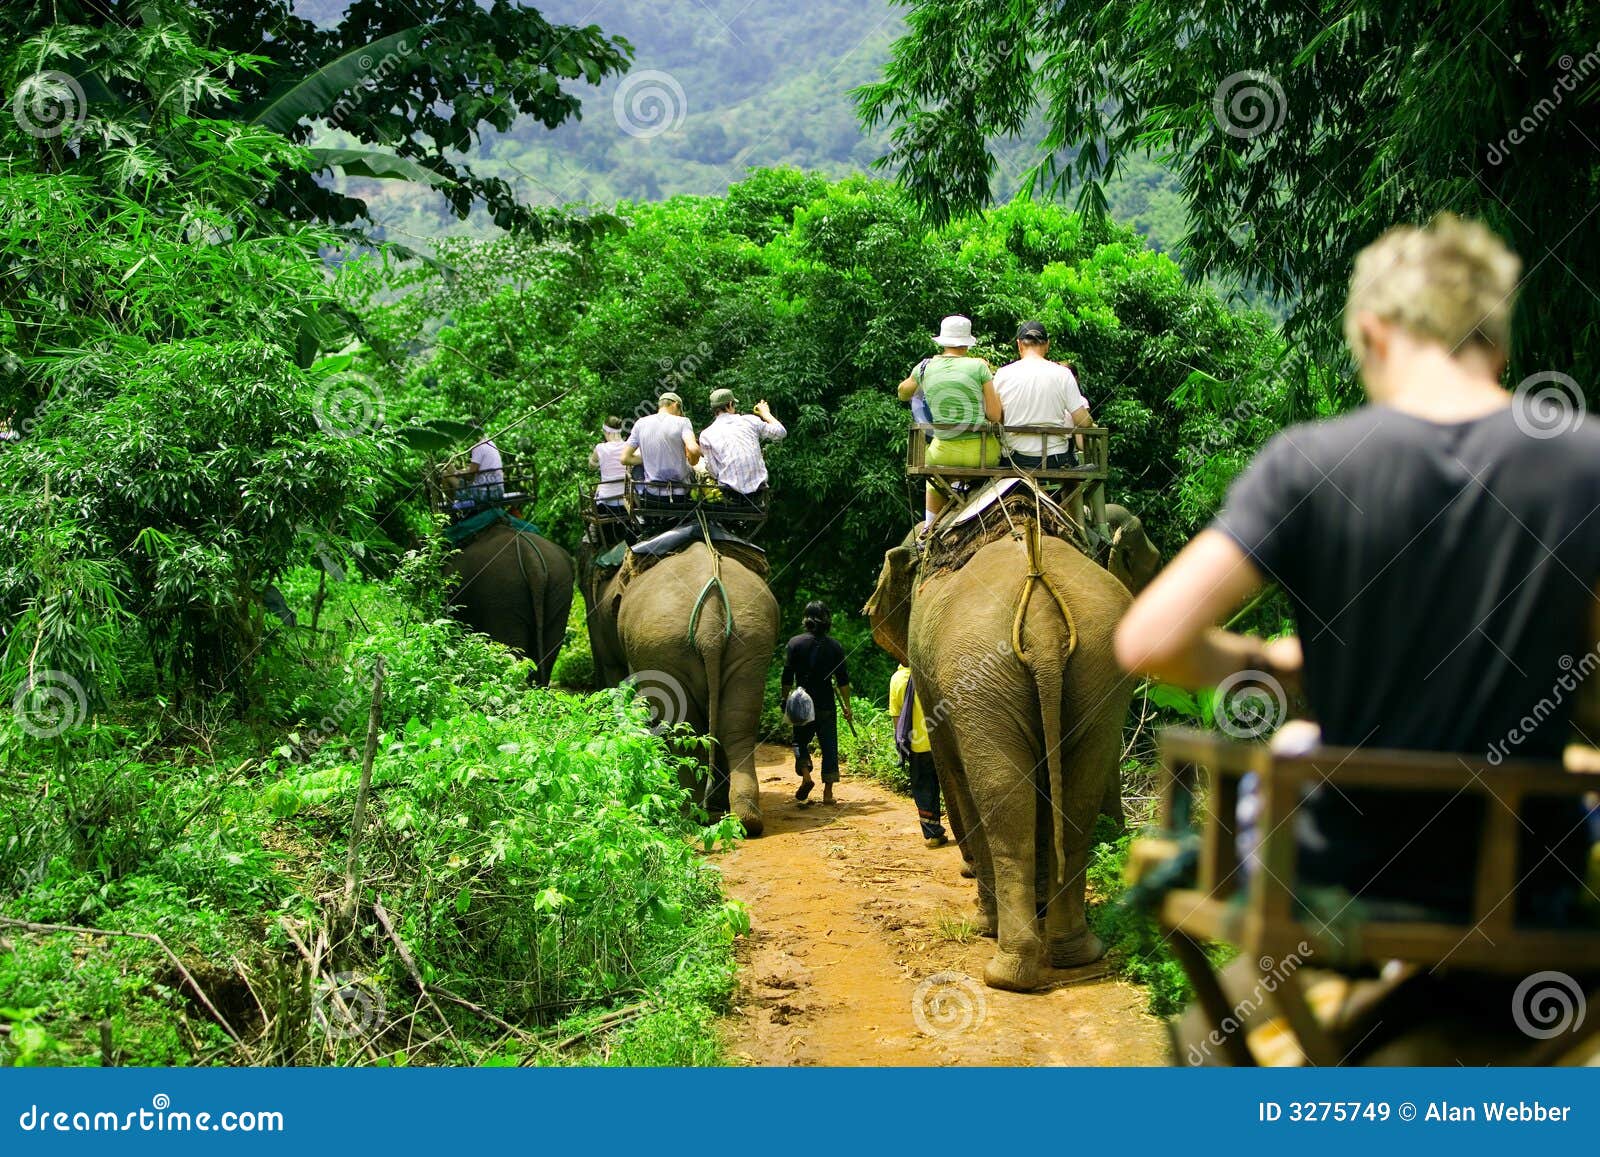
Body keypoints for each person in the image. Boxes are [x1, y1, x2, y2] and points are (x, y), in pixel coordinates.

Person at [1114, 214, 1600, 924]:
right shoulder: (1583, 462)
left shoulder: (1308, 461)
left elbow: (1148, 641)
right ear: (1496, 344)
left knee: (1290, 752)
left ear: (1373, 333)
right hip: (1526, 881)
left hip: (1348, 874)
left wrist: (1265, 659)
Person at [896, 315, 1004, 528]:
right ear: (967, 342)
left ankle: (928, 528)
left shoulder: (925, 368)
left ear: (942, 341)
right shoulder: (979, 367)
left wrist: (920, 380)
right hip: (982, 454)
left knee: (933, 481)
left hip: (943, 454)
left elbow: (902, 393)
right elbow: (993, 415)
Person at [993, 320, 1093, 469]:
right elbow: (1083, 421)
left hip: (1015, 459)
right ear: (1047, 345)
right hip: (1055, 459)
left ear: (1019, 344)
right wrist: (1091, 423)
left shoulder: (1002, 374)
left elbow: (996, 417)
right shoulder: (1063, 374)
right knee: (1074, 476)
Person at [781, 600, 853, 805]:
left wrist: (784, 698)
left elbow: (787, 676)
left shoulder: (795, 643)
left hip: (801, 704)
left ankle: (806, 776)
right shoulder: (835, 646)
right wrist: (847, 707)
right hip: (826, 705)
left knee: (798, 742)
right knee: (829, 746)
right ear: (827, 621)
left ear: (806, 620)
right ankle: (828, 793)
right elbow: (843, 681)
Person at [889, 663, 947, 847]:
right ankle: (967, 834)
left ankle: (933, 834)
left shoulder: (897, 679)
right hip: (943, 743)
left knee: (924, 787)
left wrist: (900, 744)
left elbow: (896, 716)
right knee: (952, 788)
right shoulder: (932, 670)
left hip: (917, 744)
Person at [697, 388, 786, 506]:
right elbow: (781, 432)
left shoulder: (706, 434)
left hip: (732, 495)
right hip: (758, 493)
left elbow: (714, 471)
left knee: (701, 464)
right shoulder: (750, 420)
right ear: (730, 404)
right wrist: (765, 413)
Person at [622, 392, 700, 504]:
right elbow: (693, 449)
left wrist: (649, 458)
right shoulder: (683, 422)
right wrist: (695, 458)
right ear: (675, 405)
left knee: (637, 470)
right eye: (679, 411)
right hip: (680, 495)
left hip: (652, 494)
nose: (679, 415)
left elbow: (624, 458)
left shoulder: (640, 423)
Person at [449, 432, 505, 512]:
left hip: (485, 493)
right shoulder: (490, 443)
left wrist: (456, 473)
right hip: (498, 490)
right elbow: (476, 469)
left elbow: (470, 476)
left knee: (446, 475)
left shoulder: (478, 447)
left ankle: (450, 509)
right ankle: (452, 507)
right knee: (453, 476)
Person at [588, 415, 628, 519]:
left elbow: (591, 467)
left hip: (606, 504)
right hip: (627, 502)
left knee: (599, 488)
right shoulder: (629, 447)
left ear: (607, 432)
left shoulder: (600, 448)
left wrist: (593, 458)